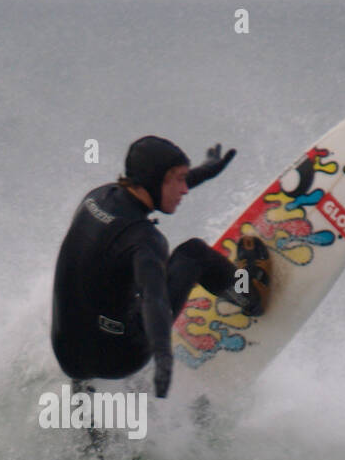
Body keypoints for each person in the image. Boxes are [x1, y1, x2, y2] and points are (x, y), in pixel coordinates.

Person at [51, 136, 272, 399]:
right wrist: (163, 356)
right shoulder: (144, 241)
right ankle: (249, 293)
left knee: (105, 272)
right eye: (179, 179)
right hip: (122, 358)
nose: (185, 189)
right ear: (156, 180)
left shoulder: (97, 198)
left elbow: (155, 187)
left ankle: (90, 408)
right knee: (194, 254)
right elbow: (154, 298)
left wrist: (205, 172)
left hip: (67, 354)